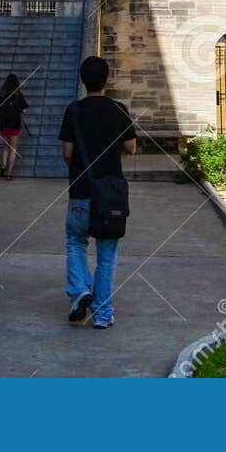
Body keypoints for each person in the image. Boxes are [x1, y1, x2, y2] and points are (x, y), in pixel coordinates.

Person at [59, 55, 136, 330]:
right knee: (107, 254)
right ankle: (103, 315)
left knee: (75, 242)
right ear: (107, 80)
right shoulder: (118, 110)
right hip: (110, 193)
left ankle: (80, 291)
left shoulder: (73, 110)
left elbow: (67, 152)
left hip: (80, 190)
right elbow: (131, 147)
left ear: (82, 80)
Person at [0, 72, 27, 180]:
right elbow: (24, 110)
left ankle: (3, 166)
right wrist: (19, 110)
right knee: (13, 148)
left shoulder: (1, 94)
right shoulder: (19, 95)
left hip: (3, 124)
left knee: (5, 147)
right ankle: (9, 173)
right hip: (15, 124)